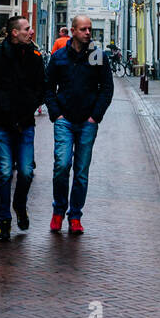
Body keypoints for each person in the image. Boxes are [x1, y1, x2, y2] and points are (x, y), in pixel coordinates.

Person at [0, 15, 46, 241]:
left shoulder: (35, 57)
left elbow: (42, 86)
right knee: (5, 172)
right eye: (27, 28)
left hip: (26, 122)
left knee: (26, 172)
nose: (31, 32)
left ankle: (19, 205)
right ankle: (4, 219)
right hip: (3, 123)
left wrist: (32, 102)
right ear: (14, 32)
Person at [44, 14, 113, 236]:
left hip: (87, 123)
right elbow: (48, 87)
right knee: (62, 166)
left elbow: (107, 88)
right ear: (72, 31)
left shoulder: (97, 56)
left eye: (89, 29)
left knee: (81, 172)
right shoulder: (59, 57)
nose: (88, 33)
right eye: (83, 29)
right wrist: (56, 114)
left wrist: (96, 116)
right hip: (64, 121)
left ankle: (75, 216)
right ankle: (58, 210)